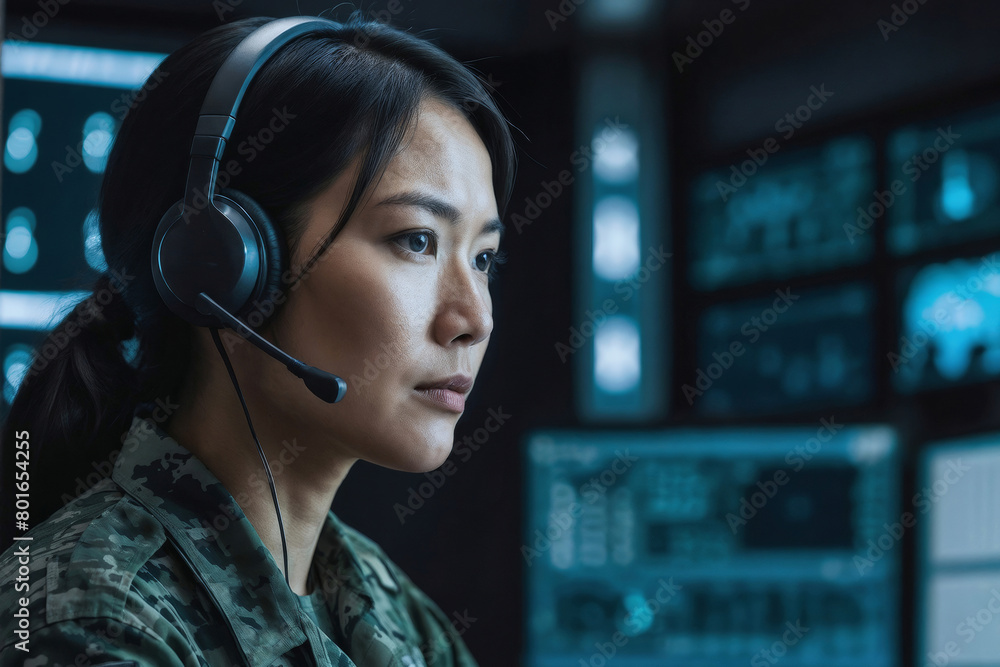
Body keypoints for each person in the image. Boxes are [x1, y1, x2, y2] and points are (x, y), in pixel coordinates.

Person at [0, 11, 515, 666]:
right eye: (416, 240)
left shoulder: (390, 610)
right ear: (221, 263)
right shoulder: (92, 621)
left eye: (483, 259)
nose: (474, 317)